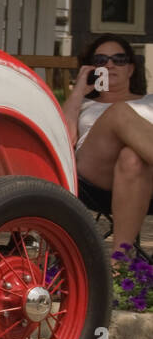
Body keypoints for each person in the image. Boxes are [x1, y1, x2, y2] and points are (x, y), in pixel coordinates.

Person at [63, 33, 153, 251]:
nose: (110, 65)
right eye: (101, 60)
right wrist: (78, 92)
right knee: (119, 111)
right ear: (91, 68)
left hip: (144, 179)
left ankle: (119, 261)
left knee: (131, 158)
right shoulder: (83, 103)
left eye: (119, 59)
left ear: (130, 68)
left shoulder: (150, 100)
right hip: (93, 177)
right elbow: (62, 141)